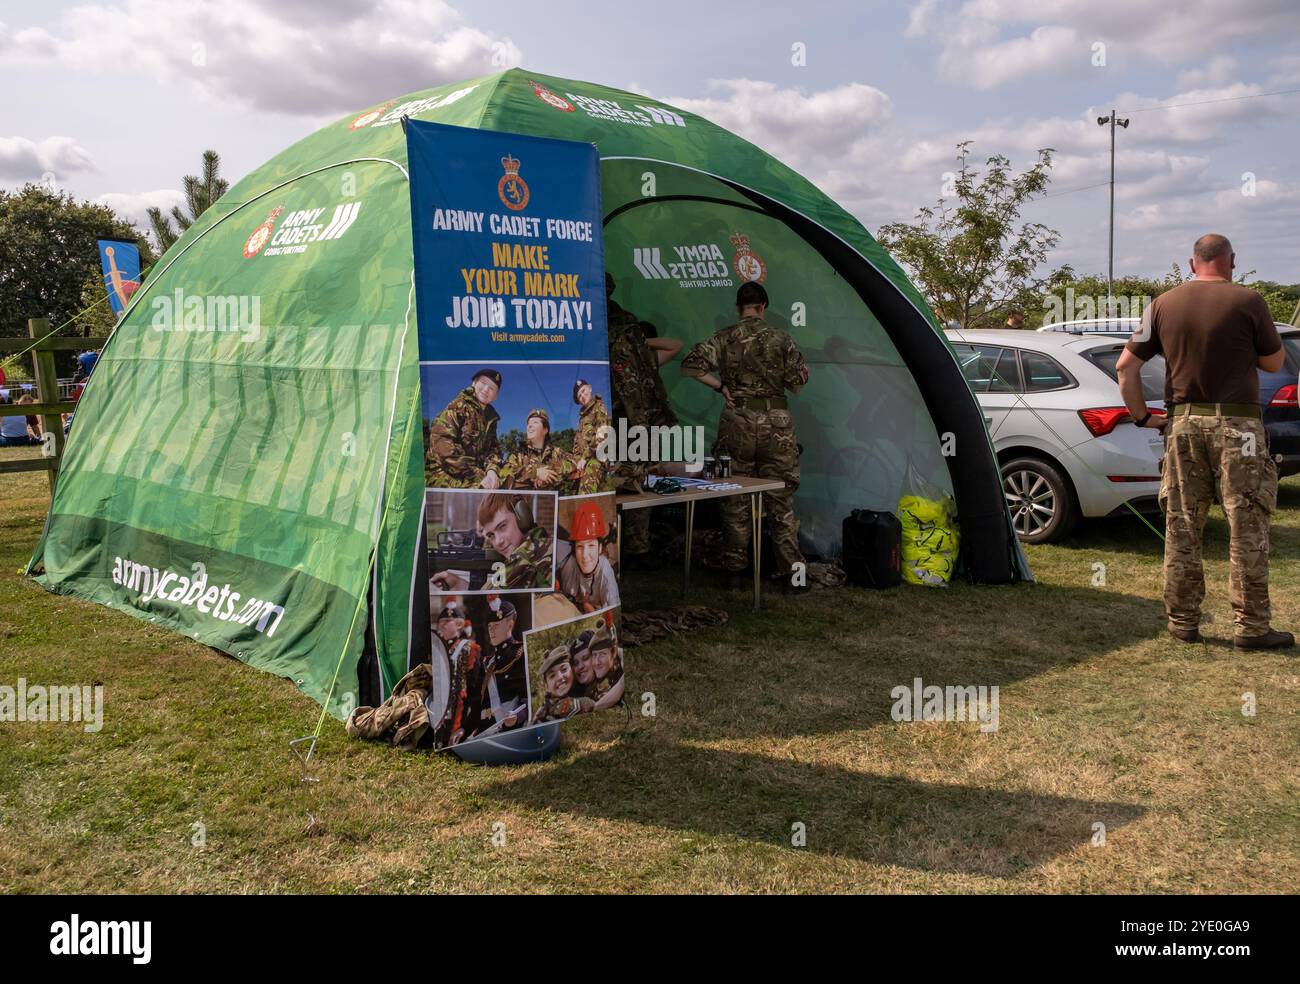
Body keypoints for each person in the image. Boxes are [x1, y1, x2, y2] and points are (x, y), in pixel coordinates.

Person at [1117, 233, 1292, 649]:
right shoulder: (1249, 301)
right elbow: (1274, 362)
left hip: (1183, 426)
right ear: (1231, 261)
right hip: (1240, 428)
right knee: (1246, 525)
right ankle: (1251, 627)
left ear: (1193, 263)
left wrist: (1143, 417)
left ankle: (1183, 622)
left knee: (1182, 525)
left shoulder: (1162, 304)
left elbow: (1126, 369)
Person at [681, 281, 809, 582]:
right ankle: (794, 576)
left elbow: (691, 366)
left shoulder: (723, 337)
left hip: (737, 422)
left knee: (734, 496)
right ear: (763, 307)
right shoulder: (782, 338)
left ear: (739, 308)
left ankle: (735, 573)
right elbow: (798, 384)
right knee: (781, 499)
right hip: (776, 424)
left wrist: (722, 387)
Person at [606, 274, 683, 558]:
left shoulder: (599, 329)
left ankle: (630, 545)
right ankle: (635, 547)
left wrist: (640, 342)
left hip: (622, 423)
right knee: (637, 482)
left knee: (632, 481)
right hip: (630, 424)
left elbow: (676, 345)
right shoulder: (622, 330)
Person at [426, 369, 503, 488]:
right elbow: (442, 448)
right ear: (474, 383)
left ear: (495, 396)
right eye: (483, 383)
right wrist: (478, 475)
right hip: (442, 472)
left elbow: (494, 451)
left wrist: (492, 470)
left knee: (501, 482)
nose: (486, 389)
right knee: (480, 491)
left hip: (472, 474)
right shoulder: (458, 406)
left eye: (492, 388)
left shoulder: (490, 420)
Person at [474, 595, 529, 735]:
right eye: (490, 626)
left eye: (496, 625)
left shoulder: (521, 653)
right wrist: (463, 729)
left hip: (511, 729)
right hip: (485, 730)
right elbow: (477, 703)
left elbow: (532, 696)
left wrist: (519, 716)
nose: (491, 630)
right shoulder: (488, 662)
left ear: (510, 624)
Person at [557, 499, 619, 611]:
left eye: (591, 545)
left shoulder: (605, 575)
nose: (585, 555)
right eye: (580, 546)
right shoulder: (568, 559)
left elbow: (611, 618)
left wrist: (589, 608)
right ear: (573, 547)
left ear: (600, 548)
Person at [498, 408, 577, 492]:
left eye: (535, 422)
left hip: (552, 502)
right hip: (525, 503)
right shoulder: (519, 454)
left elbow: (574, 463)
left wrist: (549, 473)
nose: (529, 426)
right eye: (528, 423)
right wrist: (535, 473)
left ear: (545, 430)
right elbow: (504, 473)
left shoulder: (556, 452)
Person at [533, 645, 594, 722]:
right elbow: (587, 705)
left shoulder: (581, 689)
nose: (560, 677)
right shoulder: (548, 710)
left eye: (564, 669)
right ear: (546, 686)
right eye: (552, 676)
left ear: (572, 670)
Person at [571, 378, 611, 494]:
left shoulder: (599, 407)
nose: (583, 396)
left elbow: (601, 435)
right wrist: (576, 461)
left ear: (590, 388)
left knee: (584, 492)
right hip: (582, 462)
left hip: (597, 459)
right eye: (579, 396)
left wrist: (584, 458)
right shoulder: (582, 419)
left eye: (583, 391)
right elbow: (577, 445)